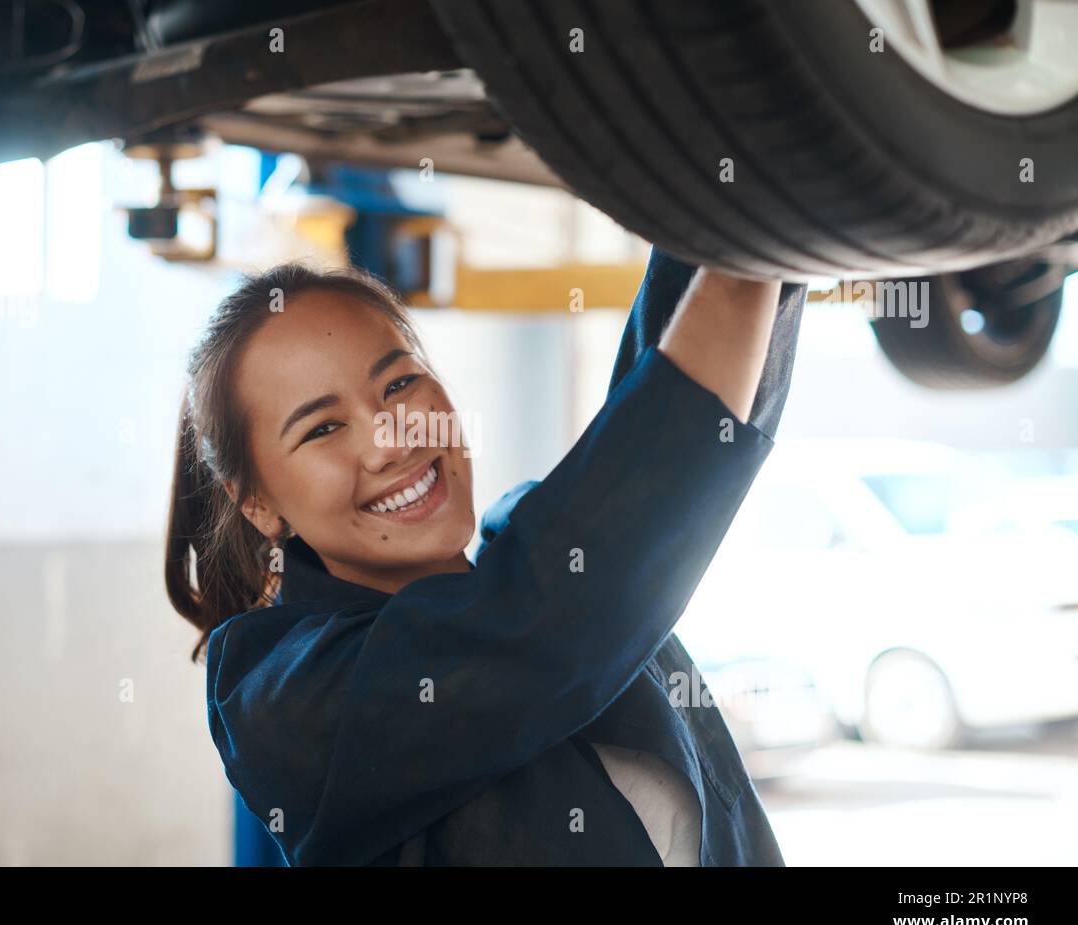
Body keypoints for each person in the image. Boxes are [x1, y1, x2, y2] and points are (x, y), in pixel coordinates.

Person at [166, 247, 806, 865]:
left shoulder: (559, 572)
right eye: (323, 428)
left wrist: (748, 204)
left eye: (400, 382)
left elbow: (660, 430)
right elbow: (555, 604)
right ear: (255, 502)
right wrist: (748, 233)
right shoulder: (288, 703)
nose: (392, 440)